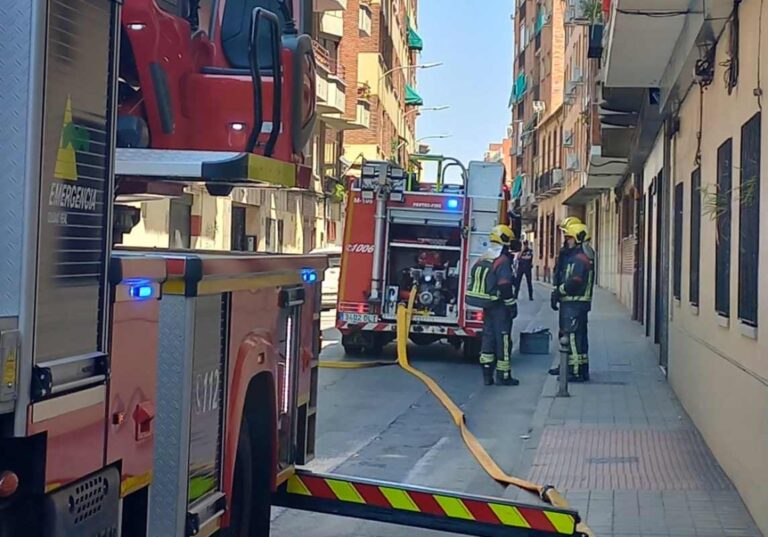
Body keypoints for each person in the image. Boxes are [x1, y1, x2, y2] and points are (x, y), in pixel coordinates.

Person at [465, 225, 520, 386]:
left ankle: (487, 374)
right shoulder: (502, 261)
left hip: (487, 305)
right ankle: (503, 375)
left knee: (488, 338)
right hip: (499, 306)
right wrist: (511, 305)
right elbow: (504, 285)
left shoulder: (485, 257)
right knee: (503, 339)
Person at [549, 221, 594, 382]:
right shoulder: (574, 256)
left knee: (573, 338)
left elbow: (574, 281)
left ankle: (574, 371)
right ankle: (569, 366)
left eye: (569, 238)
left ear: (577, 238)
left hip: (575, 303)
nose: (567, 241)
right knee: (573, 337)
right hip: (571, 303)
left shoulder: (580, 258)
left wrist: (558, 291)